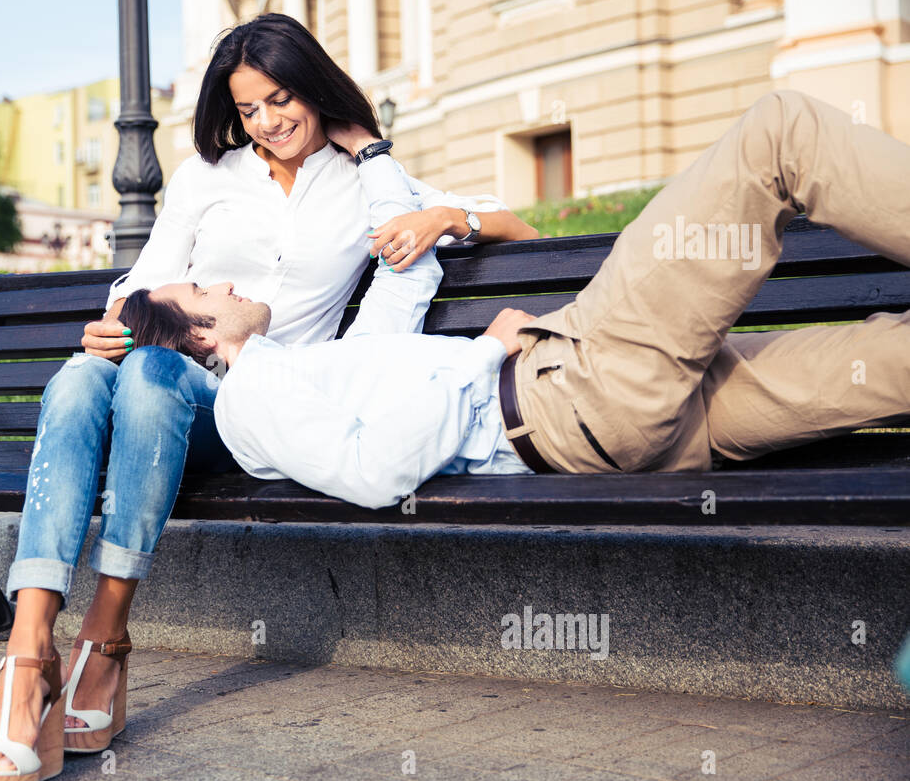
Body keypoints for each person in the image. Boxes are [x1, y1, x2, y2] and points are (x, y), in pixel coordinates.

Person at [0, 13, 539, 781]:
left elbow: (517, 225)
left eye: (281, 100)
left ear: (313, 86)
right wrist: (117, 321)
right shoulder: (208, 177)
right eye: (248, 110)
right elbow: (143, 282)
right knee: (76, 379)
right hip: (159, 359)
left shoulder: (362, 182)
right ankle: (31, 657)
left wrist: (445, 216)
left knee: (151, 380)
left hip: (253, 401)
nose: (268, 123)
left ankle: (103, 635)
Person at [120, 90, 910, 511]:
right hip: (570, 394)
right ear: (196, 332)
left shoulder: (302, 368)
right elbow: (370, 474)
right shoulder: (249, 400)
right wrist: (484, 353)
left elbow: (404, 268)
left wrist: (376, 157)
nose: (222, 282)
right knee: (777, 131)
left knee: (890, 361)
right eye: (203, 288)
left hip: (625, 415)